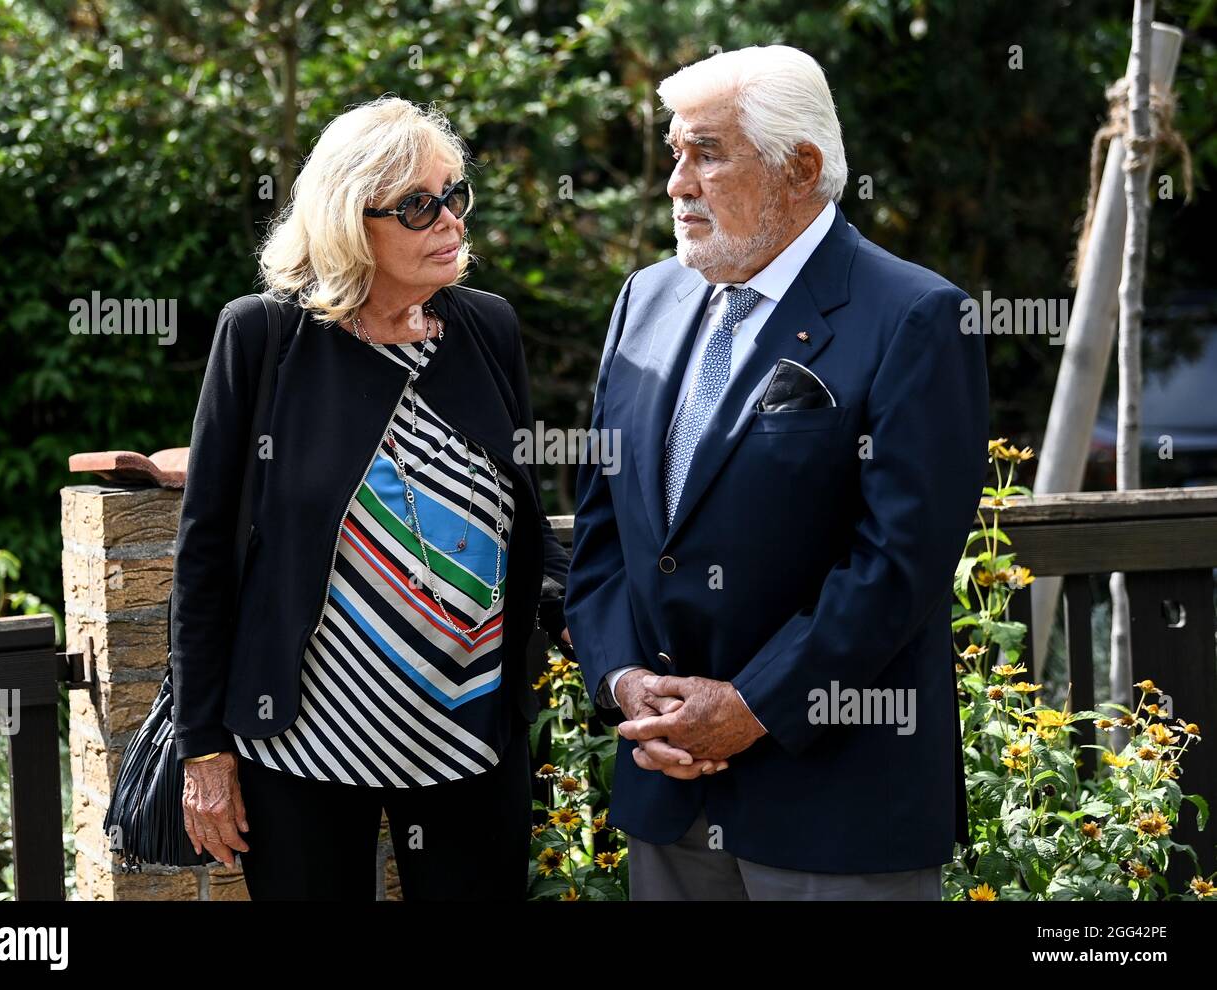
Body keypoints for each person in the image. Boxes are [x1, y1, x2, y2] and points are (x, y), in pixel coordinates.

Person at [565, 45, 989, 900]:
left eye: (708, 153)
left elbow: (896, 568)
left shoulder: (915, 315)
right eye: (674, 153)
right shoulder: (642, 301)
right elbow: (604, 535)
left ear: (800, 169)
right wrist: (624, 683)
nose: (678, 183)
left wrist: (751, 707)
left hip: (838, 809)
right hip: (670, 793)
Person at [170, 96, 570, 900]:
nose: (451, 220)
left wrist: (594, 634)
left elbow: (526, 515)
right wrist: (204, 746)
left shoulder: (488, 329)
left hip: (469, 737)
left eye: (455, 194)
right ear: (350, 219)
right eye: (420, 206)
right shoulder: (264, 337)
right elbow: (206, 549)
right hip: (306, 743)